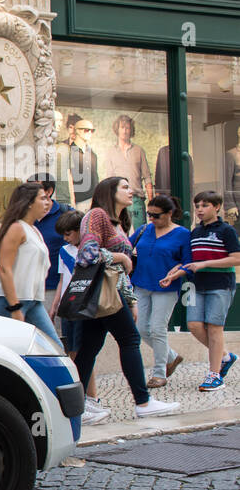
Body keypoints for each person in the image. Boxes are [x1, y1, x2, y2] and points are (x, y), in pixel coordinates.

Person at [73, 177, 179, 424]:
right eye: (124, 186)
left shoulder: (118, 222)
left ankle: (77, 404)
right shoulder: (96, 215)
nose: (131, 191)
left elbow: (119, 271)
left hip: (110, 294)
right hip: (102, 292)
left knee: (89, 348)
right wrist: (121, 256)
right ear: (109, 192)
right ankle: (143, 402)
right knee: (130, 339)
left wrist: (130, 300)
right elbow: (86, 255)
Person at [160, 191, 240, 392]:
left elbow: (236, 258)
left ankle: (214, 375)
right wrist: (176, 272)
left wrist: (205, 264)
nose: (200, 210)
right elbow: (190, 262)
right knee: (194, 325)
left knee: (214, 328)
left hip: (220, 284)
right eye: (197, 206)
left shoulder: (226, 231)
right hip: (197, 285)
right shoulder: (194, 233)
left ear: (217, 207)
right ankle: (225, 357)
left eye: (205, 205)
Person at [0, 182, 63, 348]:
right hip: (7, 301)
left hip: (33, 301)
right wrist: (15, 307)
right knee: (10, 354)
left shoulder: (34, 231)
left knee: (55, 348)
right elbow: (4, 269)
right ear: (29, 202)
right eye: (43, 198)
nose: (47, 203)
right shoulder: (16, 228)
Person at [129, 195, 191, 388]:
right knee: (141, 329)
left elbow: (188, 262)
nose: (152, 219)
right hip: (141, 284)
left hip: (166, 287)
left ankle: (159, 373)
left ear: (169, 213)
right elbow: (125, 247)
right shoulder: (144, 230)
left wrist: (175, 274)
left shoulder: (182, 234)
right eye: (149, 214)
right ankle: (171, 357)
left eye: (156, 215)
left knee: (157, 329)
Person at [48, 210, 98, 400]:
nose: (66, 238)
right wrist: (55, 304)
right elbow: (63, 279)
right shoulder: (64, 251)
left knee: (81, 351)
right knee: (70, 348)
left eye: (69, 234)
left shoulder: (89, 250)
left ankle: (88, 396)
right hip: (68, 305)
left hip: (83, 304)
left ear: (79, 230)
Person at [32, 172, 76, 313]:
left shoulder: (66, 214)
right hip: (28, 287)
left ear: (49, 192)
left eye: (34, 189)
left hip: (55, 286)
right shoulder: (25, 216)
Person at [105, 114, 153, 230]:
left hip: (136, 198)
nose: (125, 131)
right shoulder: (111, 152)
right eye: (122, 127)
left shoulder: (139, 150)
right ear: (117, 129)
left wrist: (151, 202)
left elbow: (147, 177)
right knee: (120, 233)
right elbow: (109, 179)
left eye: (127, 128)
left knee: (141, 232)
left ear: (131, 130)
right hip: (119, 199)